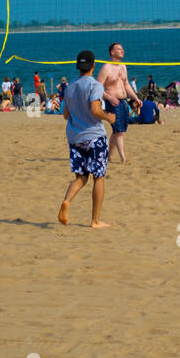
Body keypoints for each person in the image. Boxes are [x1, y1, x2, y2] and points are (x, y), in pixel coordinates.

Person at [59, 50, 117, 228]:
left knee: (81, 176)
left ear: (79, 66)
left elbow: (66, 115)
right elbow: (95, 109)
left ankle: (67, 201)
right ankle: (95, 221)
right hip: (94, 136)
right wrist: (108, 117)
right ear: (93, 65)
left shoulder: (70, 86)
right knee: (98, 177)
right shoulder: (94, 85)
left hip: (75, 137)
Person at [97, 42, 141, 164]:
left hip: (123, 101)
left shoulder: (123, 66)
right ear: (112, 52)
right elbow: (97, 87)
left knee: (117, 131)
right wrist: (109, 98)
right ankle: (123, 158)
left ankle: (109, 156)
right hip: (113, 102)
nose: (122, 51)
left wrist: (136, 98)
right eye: (119, 49)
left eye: (123, 49)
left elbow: (126, 85)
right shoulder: (106, 67)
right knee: (119, 131)